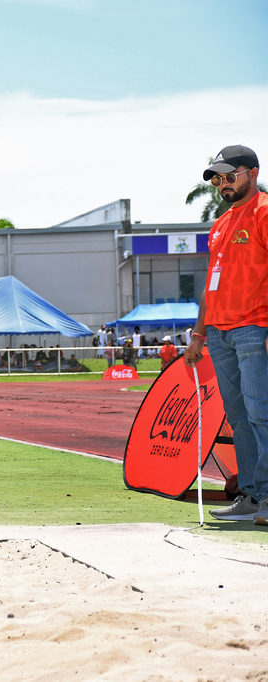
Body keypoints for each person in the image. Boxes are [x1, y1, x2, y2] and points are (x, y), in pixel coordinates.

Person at [183, 145, 268, 525]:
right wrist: (199, 335)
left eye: (230, 176)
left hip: (254, 328)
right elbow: (210, 285)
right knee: (239, 417)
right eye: (217, 179)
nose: (222, 184)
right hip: (219, 334)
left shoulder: (264, 212)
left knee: (262, 414)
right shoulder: (220, 224)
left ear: (252, 173)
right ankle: (251, 496)